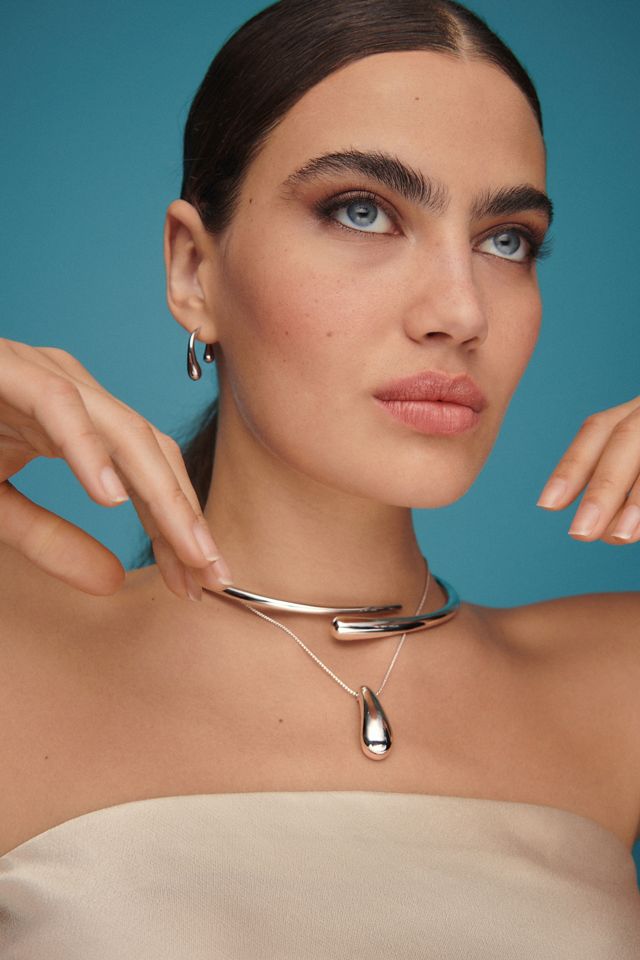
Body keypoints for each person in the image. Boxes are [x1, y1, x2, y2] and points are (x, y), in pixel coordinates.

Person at [1, 0, 639, 955]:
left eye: (505, 238)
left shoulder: (618, 681)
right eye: (362, 211)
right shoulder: (17, 650)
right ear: (193, 271)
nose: (461, 311)